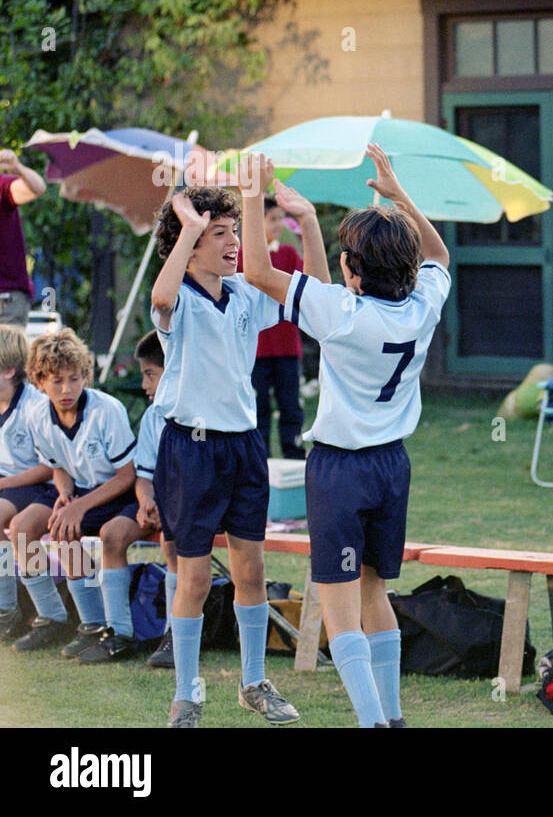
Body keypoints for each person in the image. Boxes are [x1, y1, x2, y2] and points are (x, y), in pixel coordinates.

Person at [240, 146, 450, 728]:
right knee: (373, 593)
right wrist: (397, 197)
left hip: (341, 470)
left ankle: (371, 722)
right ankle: (393, 718)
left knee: (339, 607)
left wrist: (252, 195)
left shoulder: (343, 313)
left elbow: (257, 274)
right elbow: (438, 254)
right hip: (392, 467)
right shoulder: (422, 305)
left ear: (353, 270)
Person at [148, 179, 324, 727]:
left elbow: (316, 292)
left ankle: (253, 683)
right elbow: (160, 299)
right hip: (191, 449)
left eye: (232, 232)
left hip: (245, 447)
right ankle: (186, 694)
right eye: (219, 234)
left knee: (252, 570)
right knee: (195, 579)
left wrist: (309, 221)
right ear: (189, 244)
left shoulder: (246, 292)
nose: (233, 243)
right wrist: (189, 228)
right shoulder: (178, 297)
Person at [9, 329, 147, 661]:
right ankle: (66, 620)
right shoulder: (39, 416)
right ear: (39, 383)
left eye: (74, 378)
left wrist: (79, 506)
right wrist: (67, 495)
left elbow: (127, 475)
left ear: (85, 376)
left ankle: (119, 633)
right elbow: (57, 465)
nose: (67, 389)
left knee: (108, 535)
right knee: (24, 529)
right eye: (56, 381)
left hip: (120, 492)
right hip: (81, 490)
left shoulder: (107, 410)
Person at [238, 196, 306, 459]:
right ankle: (260, 459)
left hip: (287, 346)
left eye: (281, 219)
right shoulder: (242, 258)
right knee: (258, 408)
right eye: (273, 219)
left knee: (291, 406)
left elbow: (304, 289)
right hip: (255, 350)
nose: (279, 224)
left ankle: (295, 458)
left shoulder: (288, 254)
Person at [0, 325, 57, 642]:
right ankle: (7, 609)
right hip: (12, 485)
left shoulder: (35, 406)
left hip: (44, 486)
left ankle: (48, 614)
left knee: (20, 527)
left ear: (9, 370)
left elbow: (49, 467)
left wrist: (6, 482)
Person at [132, 329, 180, 667]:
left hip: (203, 506)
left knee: (172, 541)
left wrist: (168, 506)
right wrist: (146, 502)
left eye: (151, 374)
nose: (144, 385)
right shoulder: (152, 417)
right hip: (169, 508)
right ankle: (118, 630)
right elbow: (144, 476)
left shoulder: (197, 411)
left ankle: (176, 632)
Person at [0, 148, 47, 328]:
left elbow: (38, 188)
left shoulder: (2, 187)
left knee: (8, 347)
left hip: (7, 301)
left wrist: (17, 168)